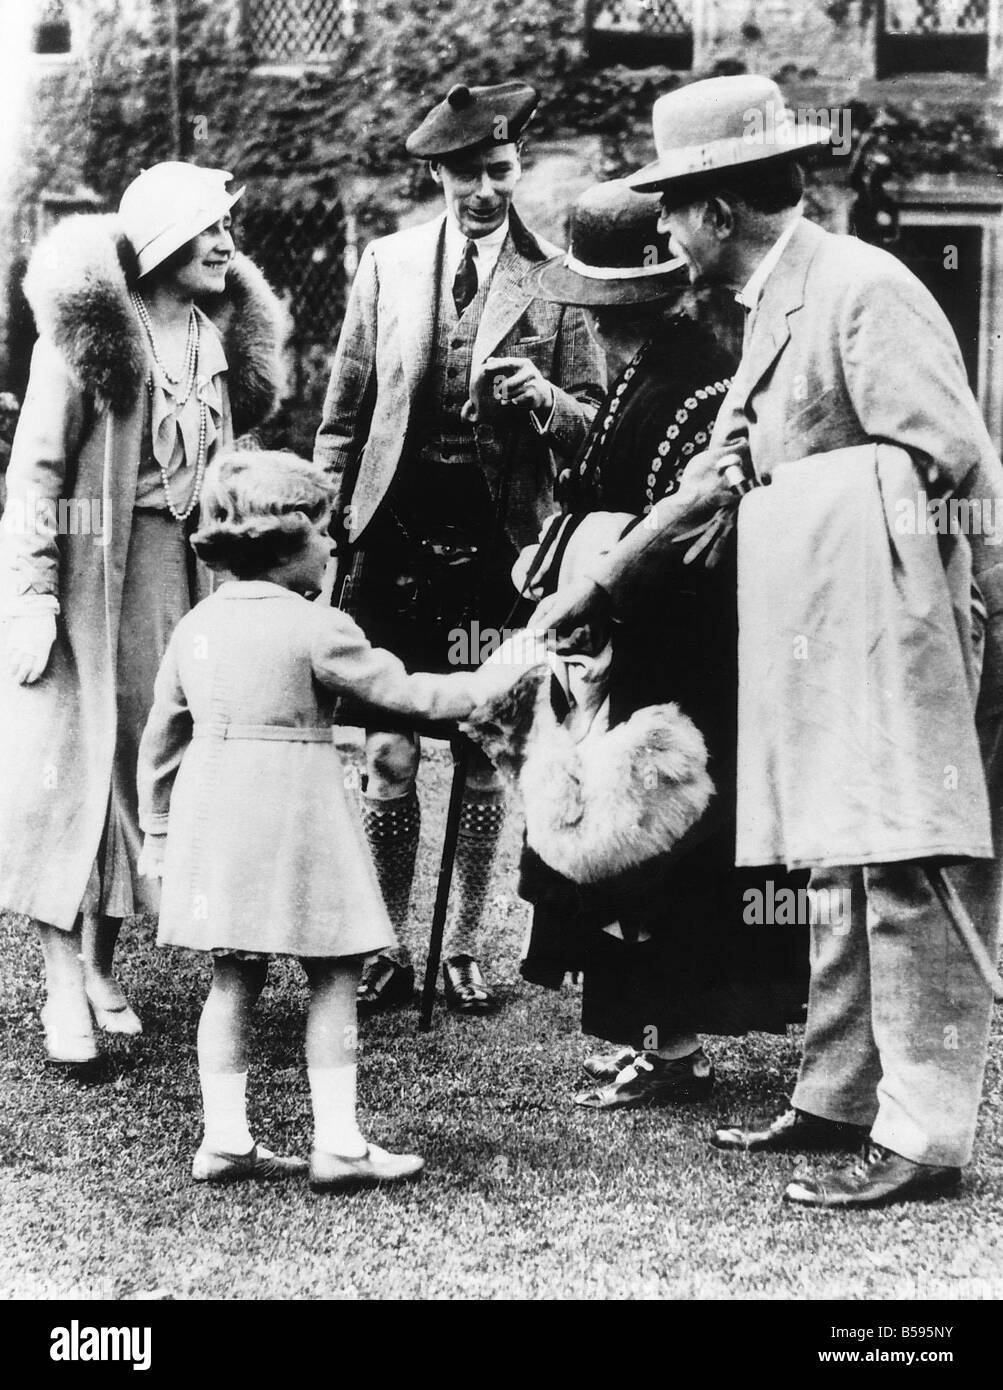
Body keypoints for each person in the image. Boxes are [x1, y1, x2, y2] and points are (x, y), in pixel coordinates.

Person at [535, 75, 1003, 1208]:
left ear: (716, 209)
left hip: (901, 629)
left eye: (671, 208)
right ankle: (837, 1096)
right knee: (837, 862)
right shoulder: (769, 303)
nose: (664, 231)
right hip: (828, 627)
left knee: (907, 865)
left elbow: (953, 466)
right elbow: (723, 476)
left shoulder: (863, 286)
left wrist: (975, 626)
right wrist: (600, 580)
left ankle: (925, 1135)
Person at [136, 449, 513, 1186]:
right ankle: (338, 1142)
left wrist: (157, 829)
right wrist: (502, 674)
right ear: (286, 543)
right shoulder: (322, 627)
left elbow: (161, 735)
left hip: (215, 812)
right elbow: (410, 696)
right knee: (335, 970)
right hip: (296, 811)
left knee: (233, 975)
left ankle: (225, 1139)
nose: (336, 547)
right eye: (325, 534)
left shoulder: (197, 625)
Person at [314, 80, 606, 1015]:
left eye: (500, 171)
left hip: (497, 551)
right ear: (437, 172)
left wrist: (541, 401)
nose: (484, 190)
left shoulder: (559, 279)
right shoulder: (386, 266)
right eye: (466, 174)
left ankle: (466, 946)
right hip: (393, 540)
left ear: (517, 169)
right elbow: (344, 409)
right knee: (388, 754)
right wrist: (332, 516)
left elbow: (592, 430)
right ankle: (387, 942)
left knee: (484, 749)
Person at [517, 180, 807, 1108]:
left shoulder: (701, 375)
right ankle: (654, 1037)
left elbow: (683, 526)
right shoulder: (647, 368)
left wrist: (586, 562)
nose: (597, 327)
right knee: (624, 845)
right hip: (631, 635)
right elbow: (610, 485)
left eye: (604, 309)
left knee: (660, 853)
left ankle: (670, 1044)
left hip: (679, 645)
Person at [0, 162, 286, 1068]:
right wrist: (37, 593)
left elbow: (227, 475)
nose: (227, 246)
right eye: (210, 229)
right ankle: (59, 989)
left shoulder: (214, 339)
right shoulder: (81, 346)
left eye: (228, 229)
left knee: (150, 760)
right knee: (76, 767)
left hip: (188, 580)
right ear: (164, 238)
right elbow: (40, 478)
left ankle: (101, 963)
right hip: (94, 580)